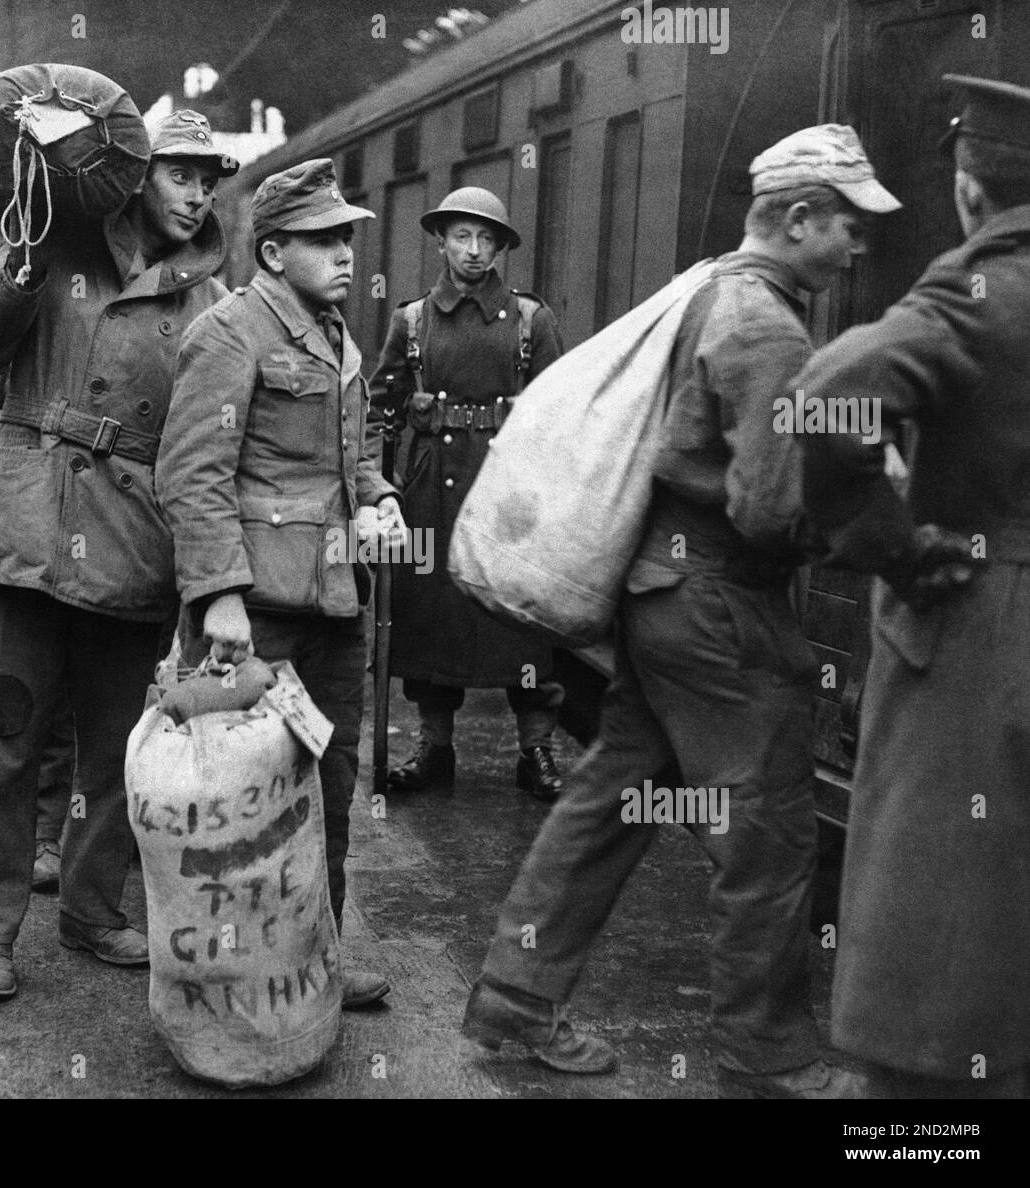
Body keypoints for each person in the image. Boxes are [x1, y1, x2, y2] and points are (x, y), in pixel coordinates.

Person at [461, 125, 900, 1096]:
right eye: (848, 225)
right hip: (719, 611)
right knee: (770, 832)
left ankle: (514, 1003)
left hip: (658, 599)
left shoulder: (708, 289)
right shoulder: (767, 327)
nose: (859, 244)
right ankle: (767, 1048)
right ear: (797, 219)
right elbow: (768, 507)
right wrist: (864, 532)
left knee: (611, 801)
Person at [0, 110, 238, 1002]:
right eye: (180, 173)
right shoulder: (52, 250)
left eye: (209, 179)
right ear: (137, 174)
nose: (197, 194)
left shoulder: (204, 301)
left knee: (113, 751)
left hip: (135, 543)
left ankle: (91, 909)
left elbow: (208, 444)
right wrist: (17, 265)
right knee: (4, 737)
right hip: (29, 529)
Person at [796, 76, 1030, 1099]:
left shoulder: (978, 292)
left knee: (931, 955)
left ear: (968, 189)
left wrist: (886, 543)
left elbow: (827, 396)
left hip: (980, 627)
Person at [159, 158, 402, 1009]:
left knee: (327, 789)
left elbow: (354, 451)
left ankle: (316, 962)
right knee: (233, 808)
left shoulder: (334, 334)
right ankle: (227, 984)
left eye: (346, 238)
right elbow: (192, 474)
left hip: (335, 600)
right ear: (271, 254)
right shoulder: (229, 333)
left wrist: (380, 500)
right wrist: (219, 595)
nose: (345, 253)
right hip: (256, 612)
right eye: (324, 239)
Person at [370, 188, 567, 801]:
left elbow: (559, 411)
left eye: (486, 240)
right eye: (462, 237)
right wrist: (380, 492)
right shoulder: (411, 321)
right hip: (432, 489)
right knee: (430, 618)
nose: (474, 251)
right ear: (441, 241)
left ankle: (535, 751)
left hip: (509, 493)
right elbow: (381, 410)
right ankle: (435, 748)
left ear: (501, 248)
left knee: (521, 619)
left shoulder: (532, 320)